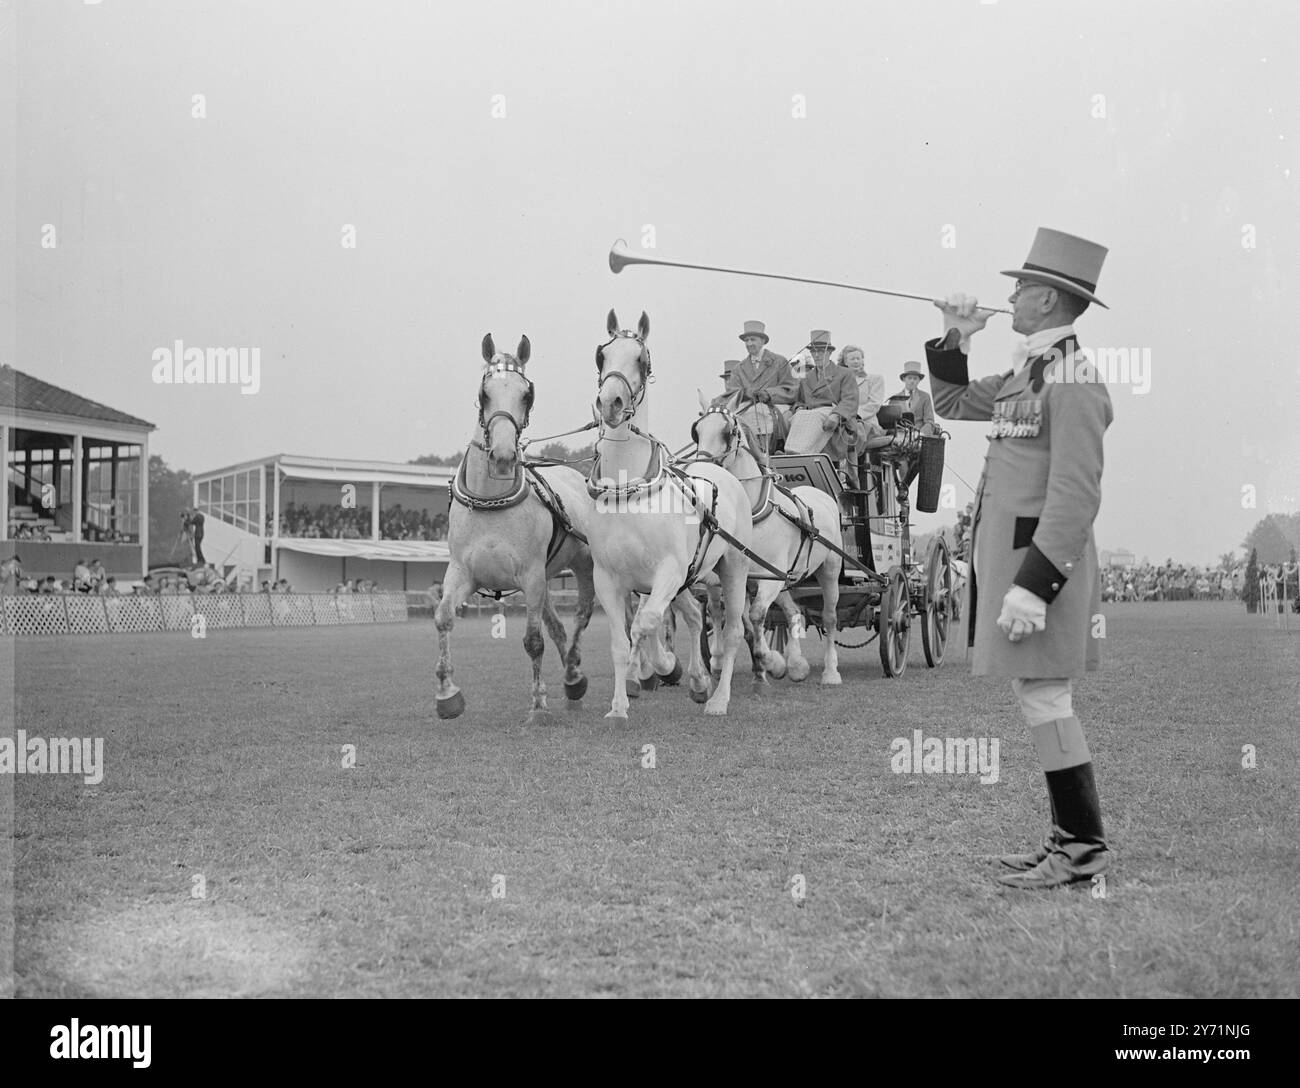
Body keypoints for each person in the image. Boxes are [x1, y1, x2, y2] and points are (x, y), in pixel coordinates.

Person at [923, 227, 1113, 890]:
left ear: (1051, 302)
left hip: (1041, 571)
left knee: (1048, 696)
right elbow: (949, 401)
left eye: (1023, 286)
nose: (1011, 293)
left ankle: (1082, 846)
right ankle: (1070, 840)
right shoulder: (1027, 371)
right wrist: (955, 338)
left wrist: (1035, 587)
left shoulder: (1074, 380)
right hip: (1013, 565)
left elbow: (1074, 496)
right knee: (1040, 697)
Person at [784, 331, 859, 468]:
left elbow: (850, 400)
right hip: (811, 416)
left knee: (815, 416)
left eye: (821, 351)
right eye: (814, 352)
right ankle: (790, 453)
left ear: (829, 353)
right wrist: (799, 407)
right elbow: (800, 401)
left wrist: (837, 415)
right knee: (799, 415)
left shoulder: (844, 374)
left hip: (834, 416)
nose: (817, 355)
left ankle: (798, 454)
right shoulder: (806, 378)